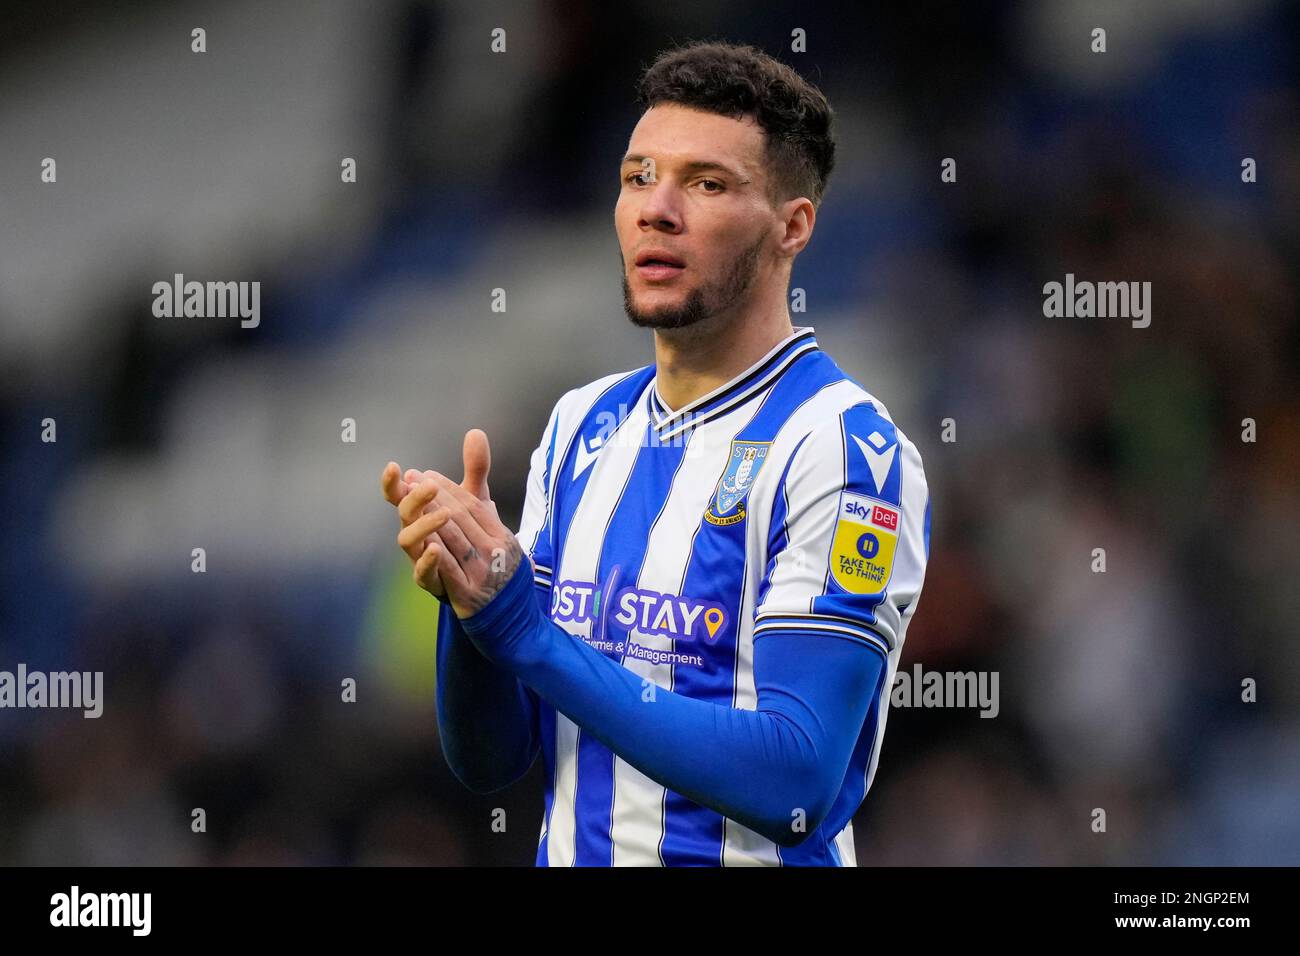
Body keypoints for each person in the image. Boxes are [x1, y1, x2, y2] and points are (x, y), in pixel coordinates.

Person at [381, 41, 930, 866]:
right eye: (639, 176)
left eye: (706, 184)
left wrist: (526, 629)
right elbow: (492, 760)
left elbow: (793, 781)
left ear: (792, 226)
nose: (655, 209)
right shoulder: (582, 424)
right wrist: (472, 601)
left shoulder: (843, 447)